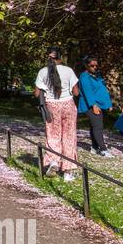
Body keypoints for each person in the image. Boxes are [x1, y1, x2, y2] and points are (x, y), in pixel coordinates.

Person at [34, 47, 80, 181]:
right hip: (68, 105)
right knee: (69, 136)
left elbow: (37, 93)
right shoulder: (68, 70)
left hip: (51, 106)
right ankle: (68, 172)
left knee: (53, 135)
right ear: (60, 57)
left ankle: (53, 161)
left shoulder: (42, 72)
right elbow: (76, 92)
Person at [77, 54, 114, 157]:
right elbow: (87, 91)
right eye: (92, 66)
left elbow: (103, 90)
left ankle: (94, 147)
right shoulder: (84, 76)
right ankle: (103, 149)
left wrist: (108, 104)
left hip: (99, 104)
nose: (95, 67)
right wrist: (93, 105)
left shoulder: (97, 76)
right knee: (98, 126)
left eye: (96, 65)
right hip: (89, 105)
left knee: (94, 126)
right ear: (86, 65)